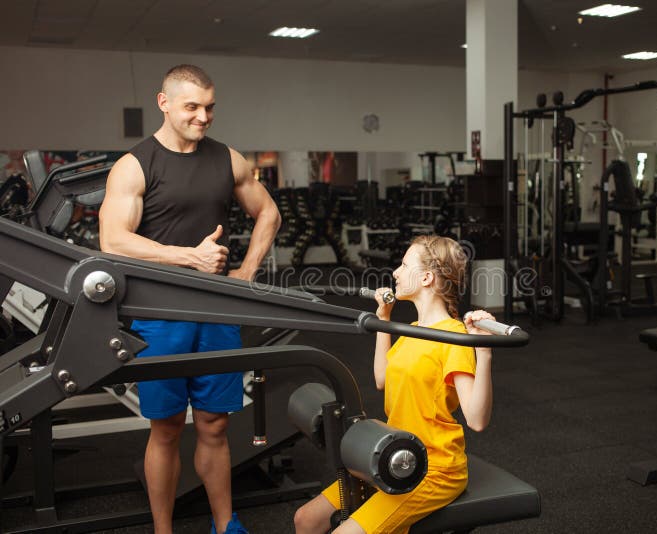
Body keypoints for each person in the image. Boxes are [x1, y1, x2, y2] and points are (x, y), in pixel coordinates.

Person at [99, 64, 281, 534]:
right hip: (160, 316)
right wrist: (189, 258)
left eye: (210, 107)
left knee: (215, 426)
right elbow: (113, 240)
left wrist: (246, 271)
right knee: (165, 430)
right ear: (164, 103)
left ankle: (226, 524)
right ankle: (164, 530)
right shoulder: (135, 165)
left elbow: (269, 213)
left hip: (216, 312)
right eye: (192, 107)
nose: (203, 117)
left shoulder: (227, 159)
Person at [294, 235, 496, 534]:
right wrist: (383, 320)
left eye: (404, 265)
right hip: (393, 457)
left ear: (426, 277)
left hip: (433, 469)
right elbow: (382, 379)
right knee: (306, 519)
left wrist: (484, 351)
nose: (395, 273)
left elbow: (477, 420)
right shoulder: (412, 330)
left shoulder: (453, 338)